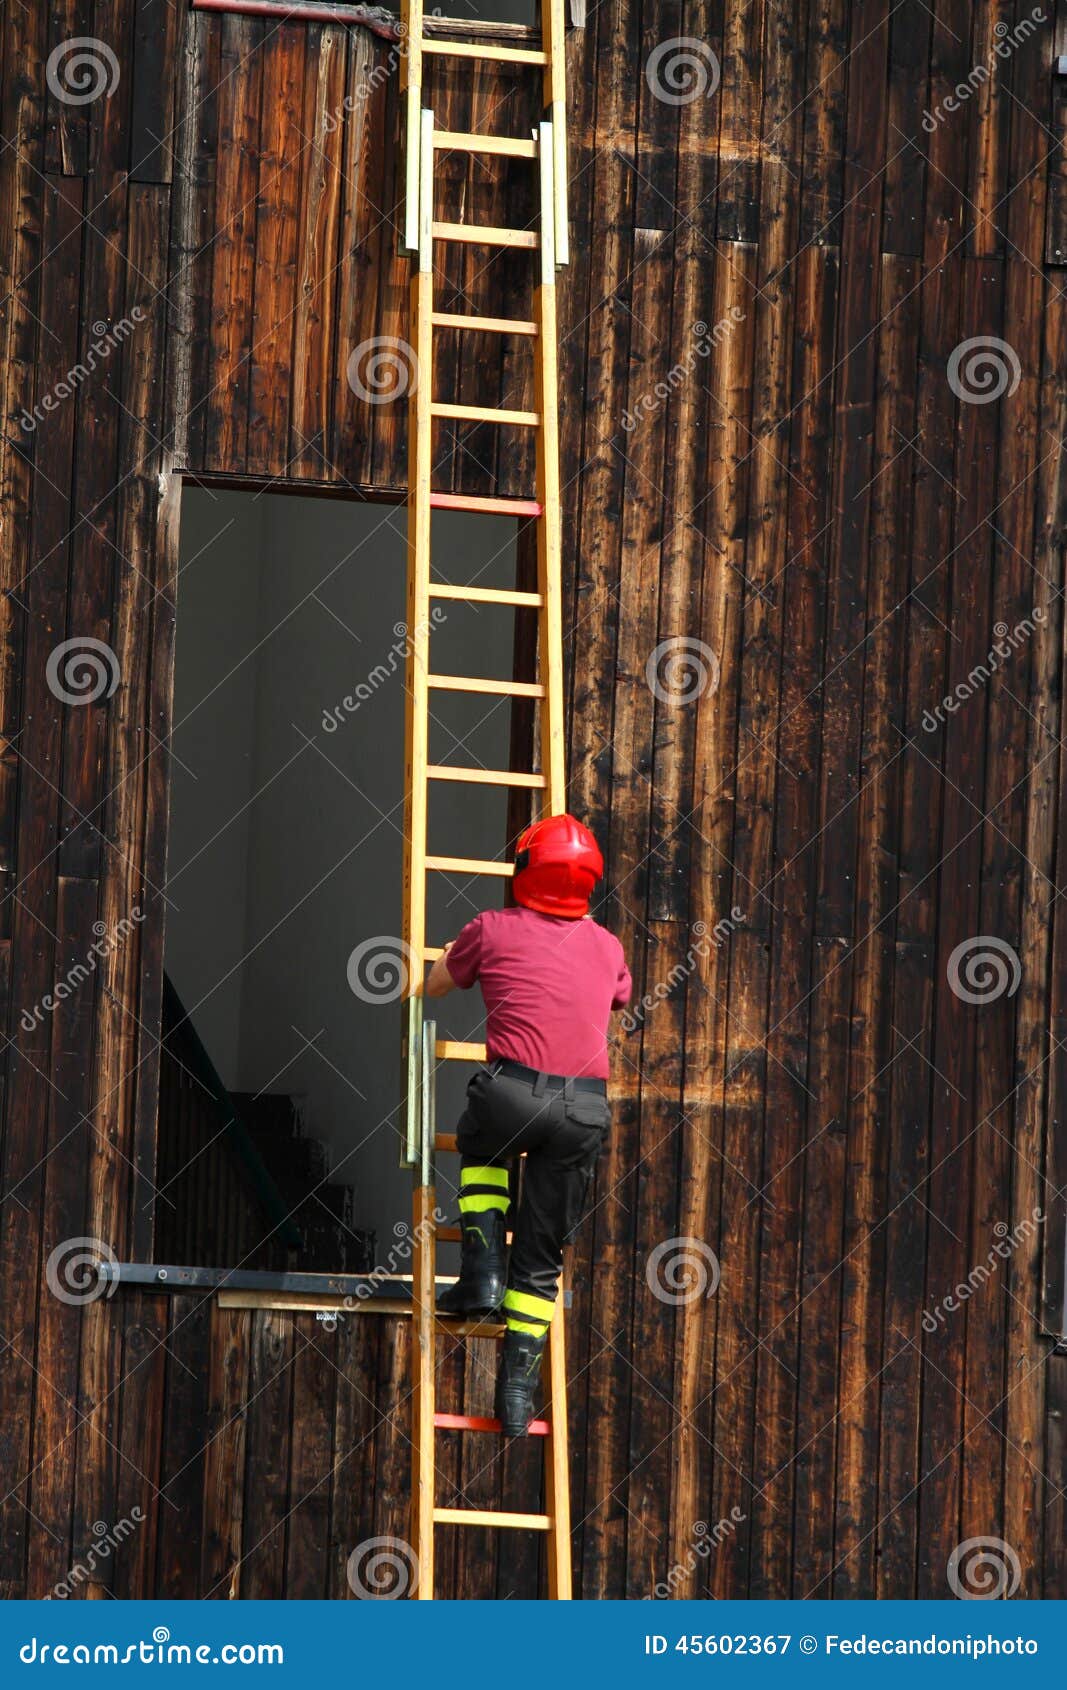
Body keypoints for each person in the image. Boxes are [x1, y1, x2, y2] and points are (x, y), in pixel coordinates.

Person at [424, 813, 632, 1435]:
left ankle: (480, 1275)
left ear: (524, 873)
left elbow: (434, 987)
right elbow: (619, 997)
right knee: (542, 1257)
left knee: (481, 1146)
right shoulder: (607, 943)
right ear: (587, 884)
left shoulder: (491, 928)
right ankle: (517, 1395)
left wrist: (447, 956)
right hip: (585, 1111)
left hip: (512, 1094)